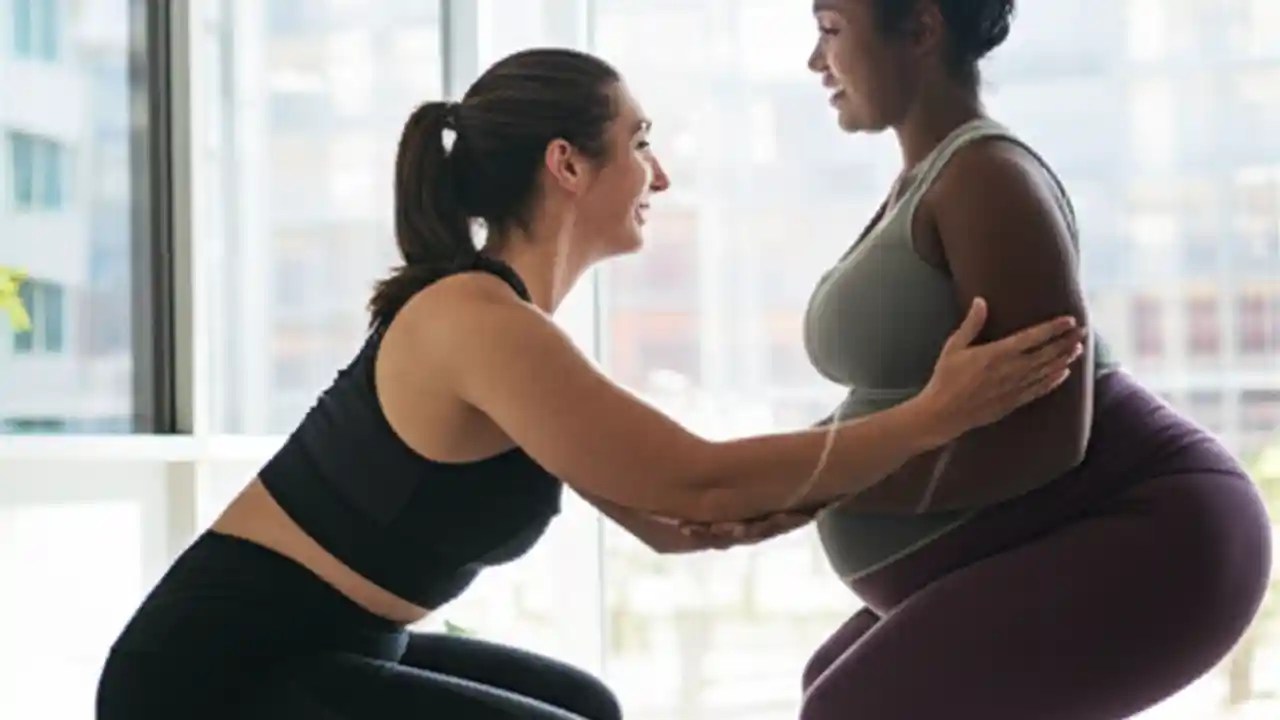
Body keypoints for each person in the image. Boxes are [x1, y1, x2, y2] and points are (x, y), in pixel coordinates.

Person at [94, 47, 1082, 720]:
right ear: (566, 164)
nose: (658, 178)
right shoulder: (473, 323)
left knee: (587, 706)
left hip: (331, 652)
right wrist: (929, 416)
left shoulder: (517, 334)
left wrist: (868, 465)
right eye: (641, 140)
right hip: (210, 679)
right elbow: (696, 483)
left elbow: (677, 520)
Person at [680, 2, 1271, 718]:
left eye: (831, 31)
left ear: (922, 29)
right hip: (1085, 529)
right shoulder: (930, 178)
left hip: (1160, 532)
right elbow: (911, 400)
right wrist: (796, 478)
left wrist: (821, 487)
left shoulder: (987, 178)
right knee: (828, 685)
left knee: (849, 709)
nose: (815, 63)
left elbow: (1048, 438)